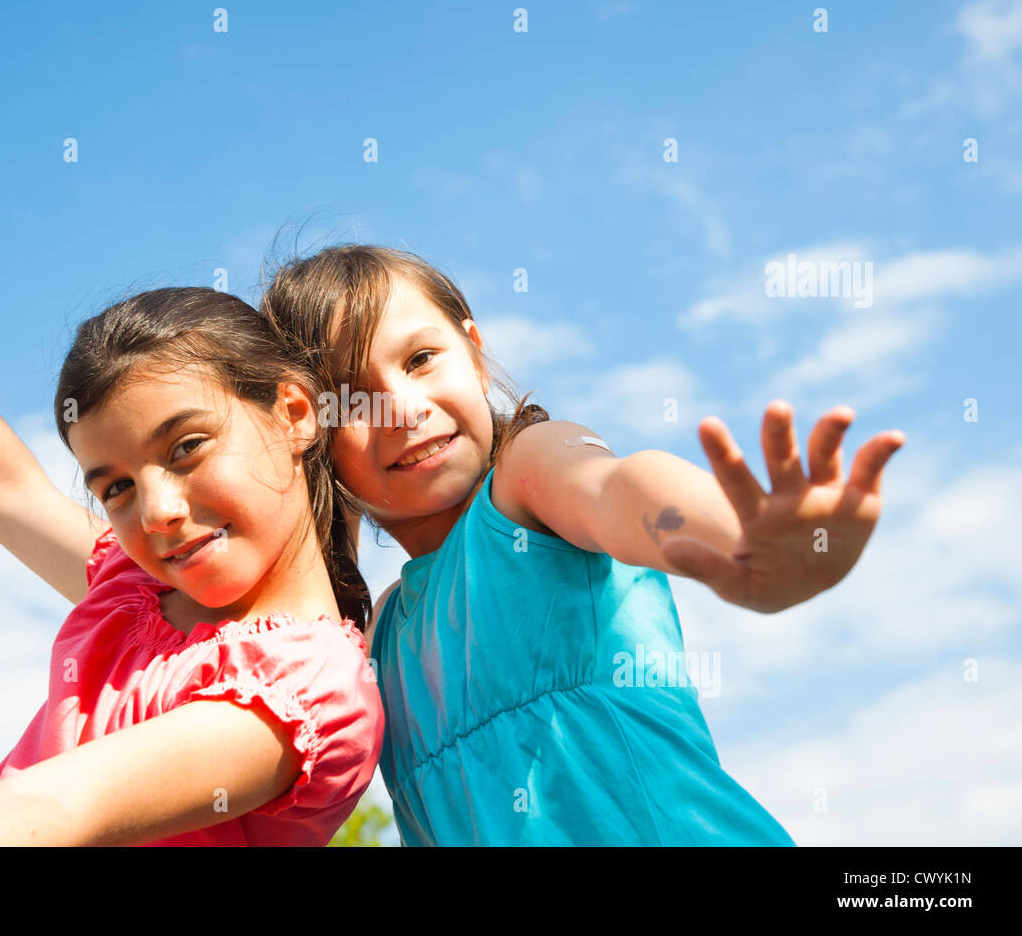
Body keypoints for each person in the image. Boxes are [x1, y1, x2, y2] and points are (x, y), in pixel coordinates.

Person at [261, 244, 905, 845]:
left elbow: (617, 488)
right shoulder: (377, 640)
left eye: (421, 359)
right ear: (307, 435)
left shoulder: (527, 479)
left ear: (474, 352)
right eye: (352, 399)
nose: (402, 408)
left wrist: (741, 543)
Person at [0, 162, 382, 845]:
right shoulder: (131, 589)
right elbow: (7, 494)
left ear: (294, 412)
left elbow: (64, 809)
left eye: (187, 446)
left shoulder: (312, 691)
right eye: (115, 487)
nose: (156, 509)